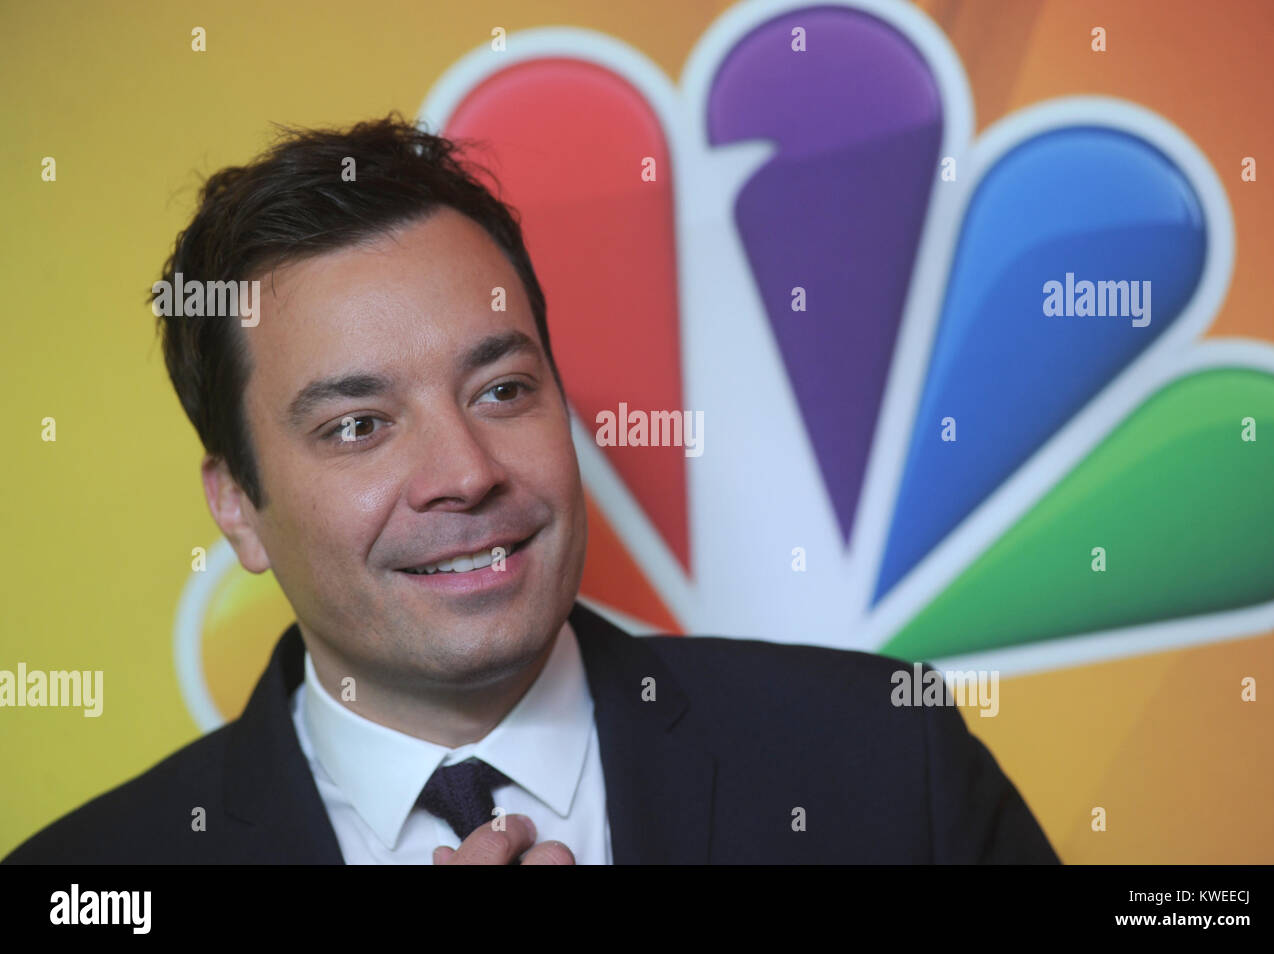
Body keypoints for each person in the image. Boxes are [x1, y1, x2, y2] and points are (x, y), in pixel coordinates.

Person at [3, 115, 1058, 865]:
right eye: (358, 426)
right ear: (237, 505)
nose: (466, 472)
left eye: (503, 388)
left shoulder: (884, 761)